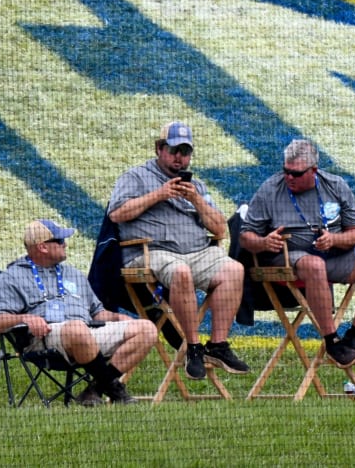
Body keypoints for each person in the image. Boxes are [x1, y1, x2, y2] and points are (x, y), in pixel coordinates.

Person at [106, 121, 249, 381]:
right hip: (151, 252)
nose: (179, 158)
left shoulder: (198, 186)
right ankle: (193, 347)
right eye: (174, 151)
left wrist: (195, 200)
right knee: (181, 272)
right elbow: (116, 214)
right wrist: (158, 195)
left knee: (234, 269)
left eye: (185, 152)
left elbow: (220, 230)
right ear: (159, 149)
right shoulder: (135, 177)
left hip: (197, 251)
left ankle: (217, 345)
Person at [239, 139, 355, 369]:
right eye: (286, 171)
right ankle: (332, 341)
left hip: (332, 256)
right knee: (314, 265)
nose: (289, 177)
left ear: (313, 170)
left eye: (296, 173)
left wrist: (334, 239)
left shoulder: (336, 185)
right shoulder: (270, 189)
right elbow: (245, 236)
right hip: (285, 258)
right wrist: (263, 242)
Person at [0, 219, 157, 406]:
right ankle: (115, 390)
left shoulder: (73, 274)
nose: (65, 244)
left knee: (146, 329)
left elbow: (98, 313)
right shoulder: (10, 278)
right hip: (44, 338)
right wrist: (26, 318)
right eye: (60, 241)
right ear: (43, 247)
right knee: (76, 328)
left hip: (88, 332)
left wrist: (118, 318)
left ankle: (95, 390)